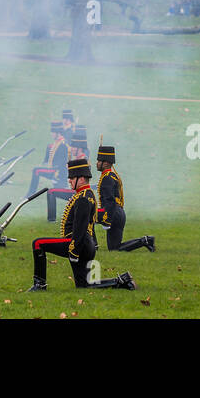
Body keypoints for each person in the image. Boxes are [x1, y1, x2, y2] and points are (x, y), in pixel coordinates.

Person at [28, 157, 135, 291]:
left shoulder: (83, 198)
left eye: (72, 178)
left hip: (78, 243)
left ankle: (39, 285)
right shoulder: (86, 194)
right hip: (86, 245)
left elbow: (80, 227)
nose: (69, 180)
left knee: (38, 244)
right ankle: (121, 281)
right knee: (84, 285)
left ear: (82, 179)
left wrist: (74, 250)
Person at [95, 144, 155, 252]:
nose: (97, 163)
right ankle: (145, 240)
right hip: (118, 213)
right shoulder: (111, 175)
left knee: (86, 216)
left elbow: (110, 201)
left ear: (106, 163)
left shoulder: (107, 178)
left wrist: (106, 220)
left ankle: (92, 246)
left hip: (112, 213)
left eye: (99, 161)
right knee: (114, 248)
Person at [28, 121, 69, 196]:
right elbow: (46, 161)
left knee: (36, 171)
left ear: (58, 133)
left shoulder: (63, 144)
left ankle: (30, 194)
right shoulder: (54, 144)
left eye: (53, 132)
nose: (51, 134)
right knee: (36, 170)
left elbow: (63, 162)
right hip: (53, 169)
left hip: (58, 172)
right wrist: (42, 166)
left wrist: (56, 176)